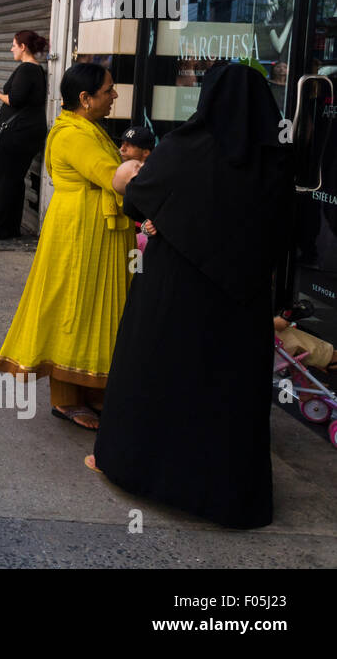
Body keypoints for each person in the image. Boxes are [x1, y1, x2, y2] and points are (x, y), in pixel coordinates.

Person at [88, 63, 290, 528]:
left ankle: (141, 469)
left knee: (159, 373)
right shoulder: (275, 161)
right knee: (226, 392)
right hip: (240, 299)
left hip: (174, 287)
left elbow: (138, 199)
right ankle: (223, 495)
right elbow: (284, 235)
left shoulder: (185, 147)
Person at [0, 63, 136, 429]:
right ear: (85, 98)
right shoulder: (74, 135)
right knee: (74, 307)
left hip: (94, 231)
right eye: (108, 90)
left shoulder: (88, 128)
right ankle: (67, 399)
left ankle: (93, 388)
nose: (114, 95)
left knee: (96, 308)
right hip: (79, 234)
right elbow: (112, 177)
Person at [0, 31, 49, 239]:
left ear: (23, 46)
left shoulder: (27, 69)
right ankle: (9, 227)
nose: (11, 49)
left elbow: (15, 100)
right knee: (14, 181)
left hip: (17, 133)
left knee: (5, 180)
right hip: (26, 131)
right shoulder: (36, 70)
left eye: (14, 45)